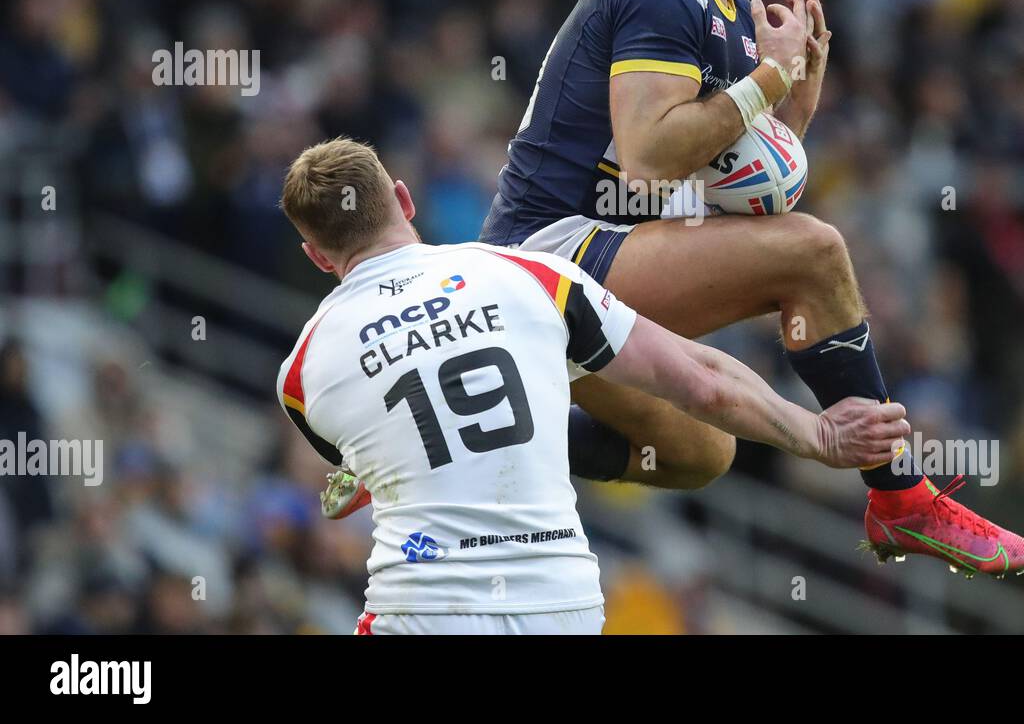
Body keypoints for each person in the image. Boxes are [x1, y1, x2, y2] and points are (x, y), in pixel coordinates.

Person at [478, 0, 1024, 576]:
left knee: (701, 452)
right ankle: (903, 500)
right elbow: (647, 155)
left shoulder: (729, 12)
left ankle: (482, 452)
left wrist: (792, 108)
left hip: (604, 256)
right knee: (814, 251)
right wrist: (769, 83)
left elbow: (742, 194)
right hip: (543, 258)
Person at [276, 137, 911, 634]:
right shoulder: (532, 274)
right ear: (404, 199)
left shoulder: (301, 374)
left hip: (424, 611)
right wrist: (820, 434)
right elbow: (703, 381)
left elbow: (365, 465)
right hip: (564, 604)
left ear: (316, 256)